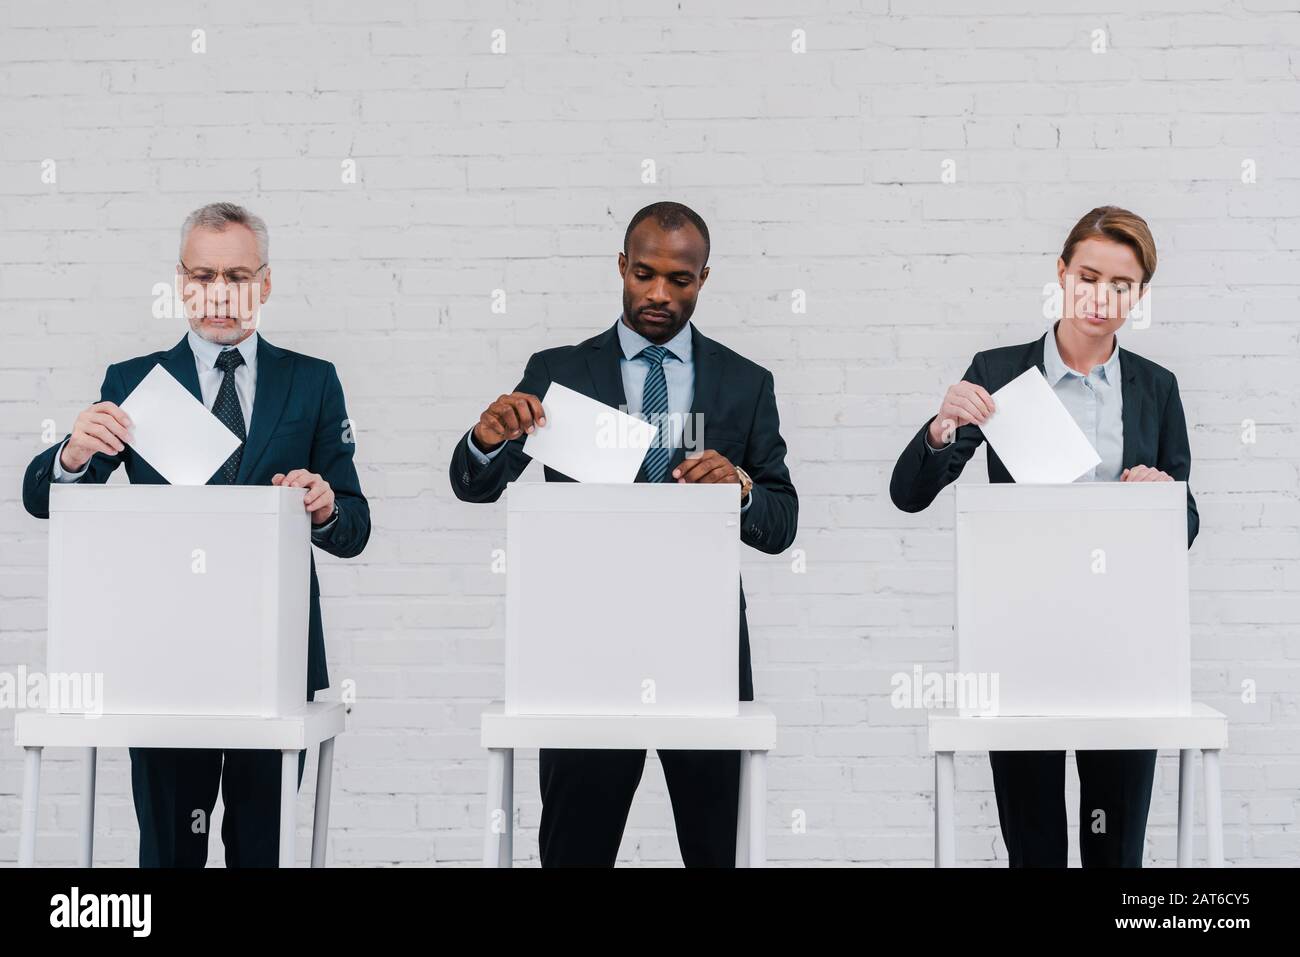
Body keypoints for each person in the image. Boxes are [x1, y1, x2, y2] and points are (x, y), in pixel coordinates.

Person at [22, 202, 371, 867]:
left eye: (237, 275)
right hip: (163, 656)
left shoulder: (314, 381)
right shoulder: (132, 382)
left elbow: (354, 526)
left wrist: (324, 506)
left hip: (277, 655)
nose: (220, 292)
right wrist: (70, 457)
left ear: (264, 284)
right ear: (181, 281)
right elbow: (44, 500)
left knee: (260, 849)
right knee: (170, 852)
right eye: (203, 274)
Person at [449, 201, 798, 866]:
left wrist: (743, 489)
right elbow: (475, 485)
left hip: (706, 652)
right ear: (621, 266)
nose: (659, 294)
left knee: (717, 847)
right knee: (575, 849)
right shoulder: (560, 373)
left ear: (704, 278)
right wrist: (488, 440)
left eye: (680, 279)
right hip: (586, 650)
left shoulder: (746, 383)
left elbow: (781, 524)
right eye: (643, 274)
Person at [890, 205, 1198, 867]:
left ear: (1139, 296)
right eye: (1088, 275)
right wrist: (942, 428)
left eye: (1122, 284)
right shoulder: (1000, 371)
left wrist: (1162, 500)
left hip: (1122, 644)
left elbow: (1186, 525)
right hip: (1022, 639)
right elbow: (909, 493)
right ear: (1061, 273)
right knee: (1033, 848)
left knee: (1115, 851)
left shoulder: (1157, 389)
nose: (1102, 297)